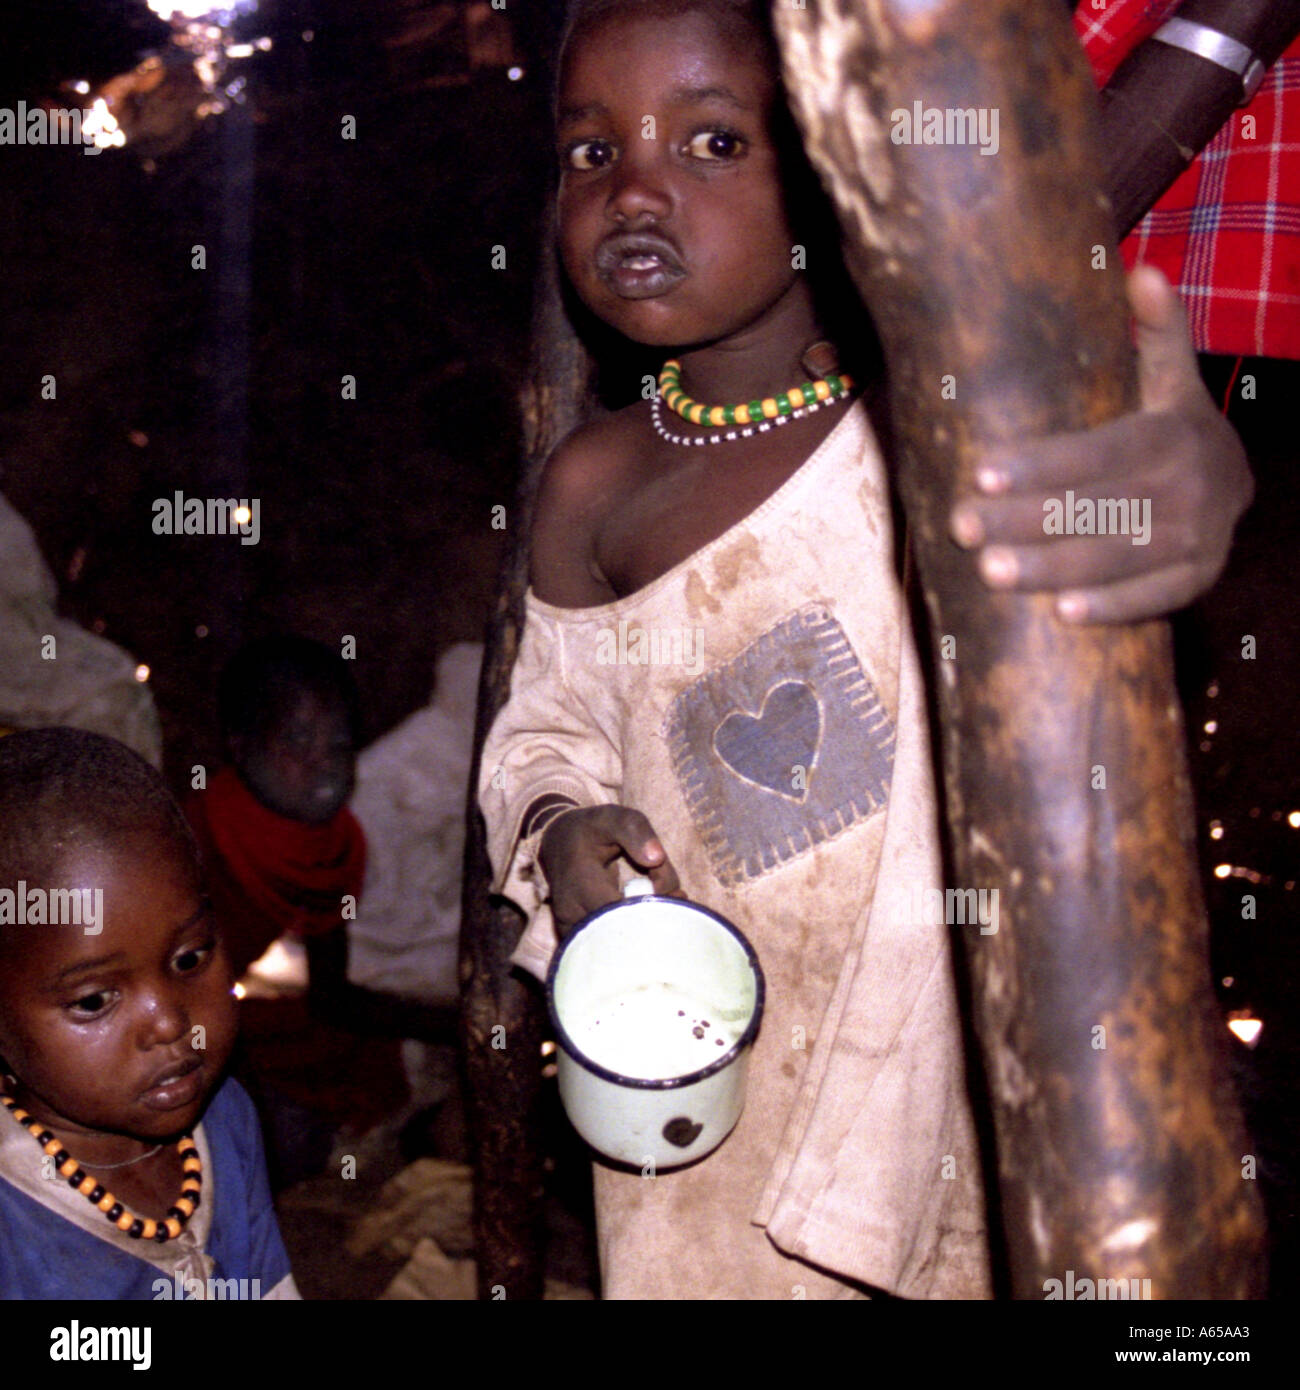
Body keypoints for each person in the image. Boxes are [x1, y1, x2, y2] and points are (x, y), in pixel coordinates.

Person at [478, 0, 1255, 1298]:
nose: (636, 191)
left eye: (716, 144)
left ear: (830, 186)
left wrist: (1180, 480)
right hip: (695, 1079)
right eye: (592, 152)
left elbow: (1107, 487)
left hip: (938, 1074)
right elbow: (544, 727)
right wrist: (557, 822)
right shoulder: (591, 488)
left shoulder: (930, 434)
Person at [0, 727, 298, 1299]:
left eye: (189, 958)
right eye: (93, 1001)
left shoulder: (226, 1121)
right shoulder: (15, 1217)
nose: (169, 1022)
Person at [186, 635, 365, 988]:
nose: (323, 760)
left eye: (339, 742)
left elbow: (331, 997)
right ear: (240, 746)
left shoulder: (332, 847)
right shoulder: (192, 843)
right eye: (297, 740)